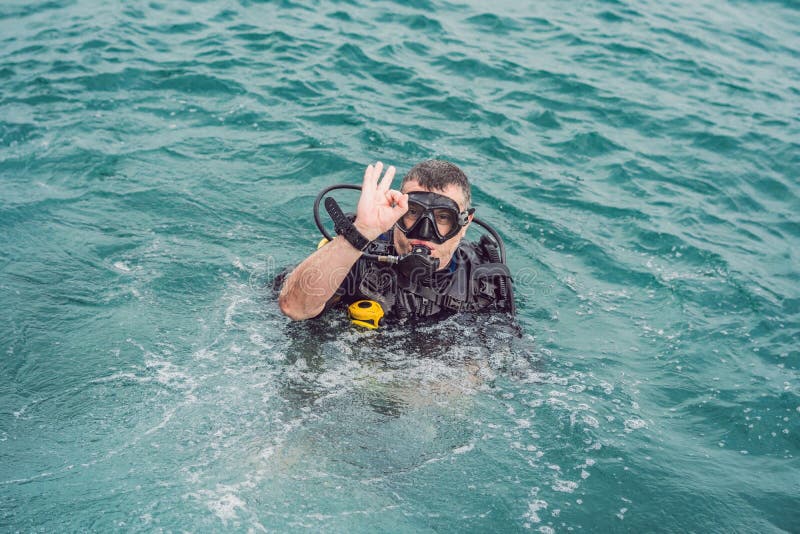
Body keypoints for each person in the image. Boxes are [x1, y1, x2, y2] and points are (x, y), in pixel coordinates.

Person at [278, 160, 515, 323]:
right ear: (398, 209)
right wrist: (359, 233)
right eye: (413, 212)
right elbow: (293, 308)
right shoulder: (359, 255)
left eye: (443, 217)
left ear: (465, 223)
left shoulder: (483, 279)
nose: (424, 232)